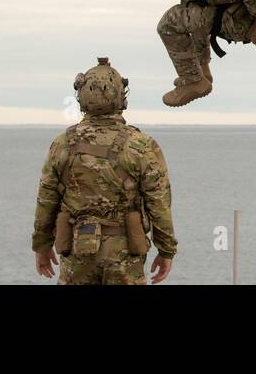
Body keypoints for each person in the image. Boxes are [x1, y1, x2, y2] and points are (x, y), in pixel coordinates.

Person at [32, 58, 177, 285]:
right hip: (125, 252)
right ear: (121, 97)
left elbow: (46, 198)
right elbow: (158, 202)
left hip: (77, 250)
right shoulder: (142, 145)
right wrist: (166, 250)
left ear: (81, 97)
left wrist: (42, 246)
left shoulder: (62, 144)